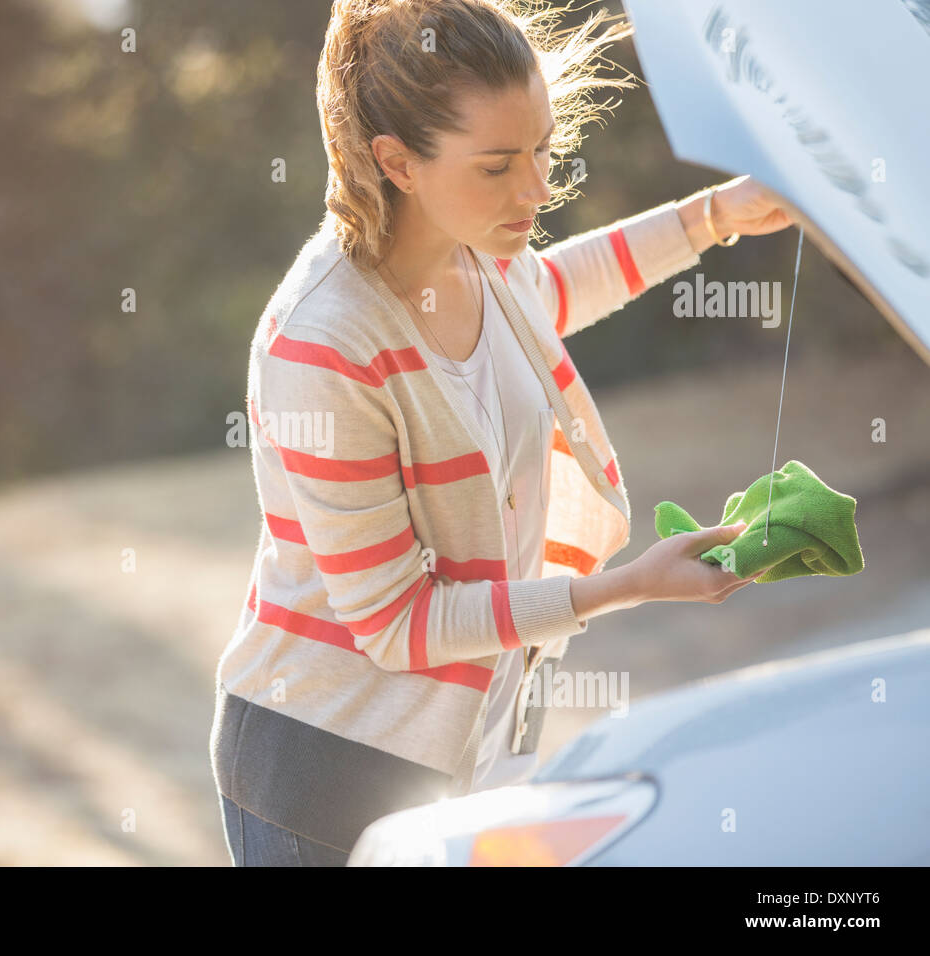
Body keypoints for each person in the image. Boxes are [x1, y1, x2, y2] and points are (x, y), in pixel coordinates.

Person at [209, 0, 795, 867]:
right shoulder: (324, 344)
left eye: (542, 150)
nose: (537, 190)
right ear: (396, 161)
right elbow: (397, 624)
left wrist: (716, 215)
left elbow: (545, 295)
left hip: (466, 758)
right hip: (328, 779)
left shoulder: (474, 253)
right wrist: (624, 588)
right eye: (496, 167)